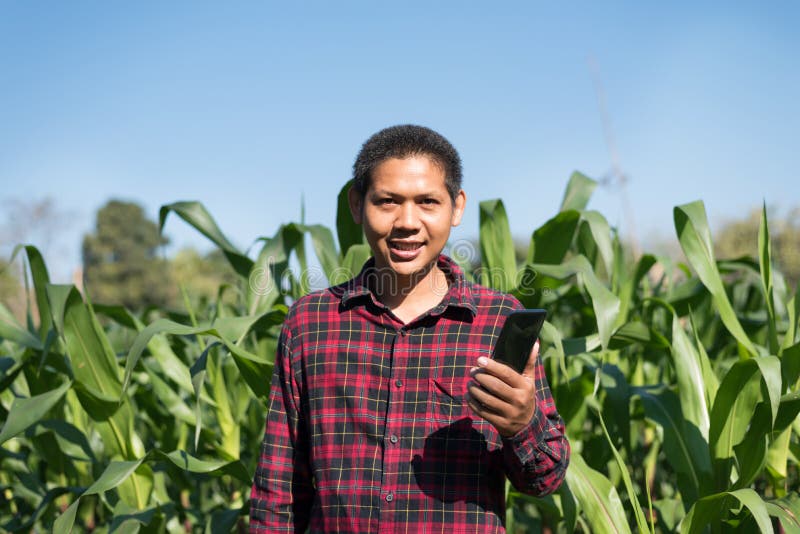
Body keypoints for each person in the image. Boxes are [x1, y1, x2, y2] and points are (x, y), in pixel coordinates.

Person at [249, 125, 569, 533]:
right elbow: (279, 490)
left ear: (456, 208)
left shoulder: (497, 321)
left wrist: (522, 423)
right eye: (387, 201)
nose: (406, 222)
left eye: (427, 202)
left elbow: (545, 478)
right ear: (356, 204)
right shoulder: (310, 323)